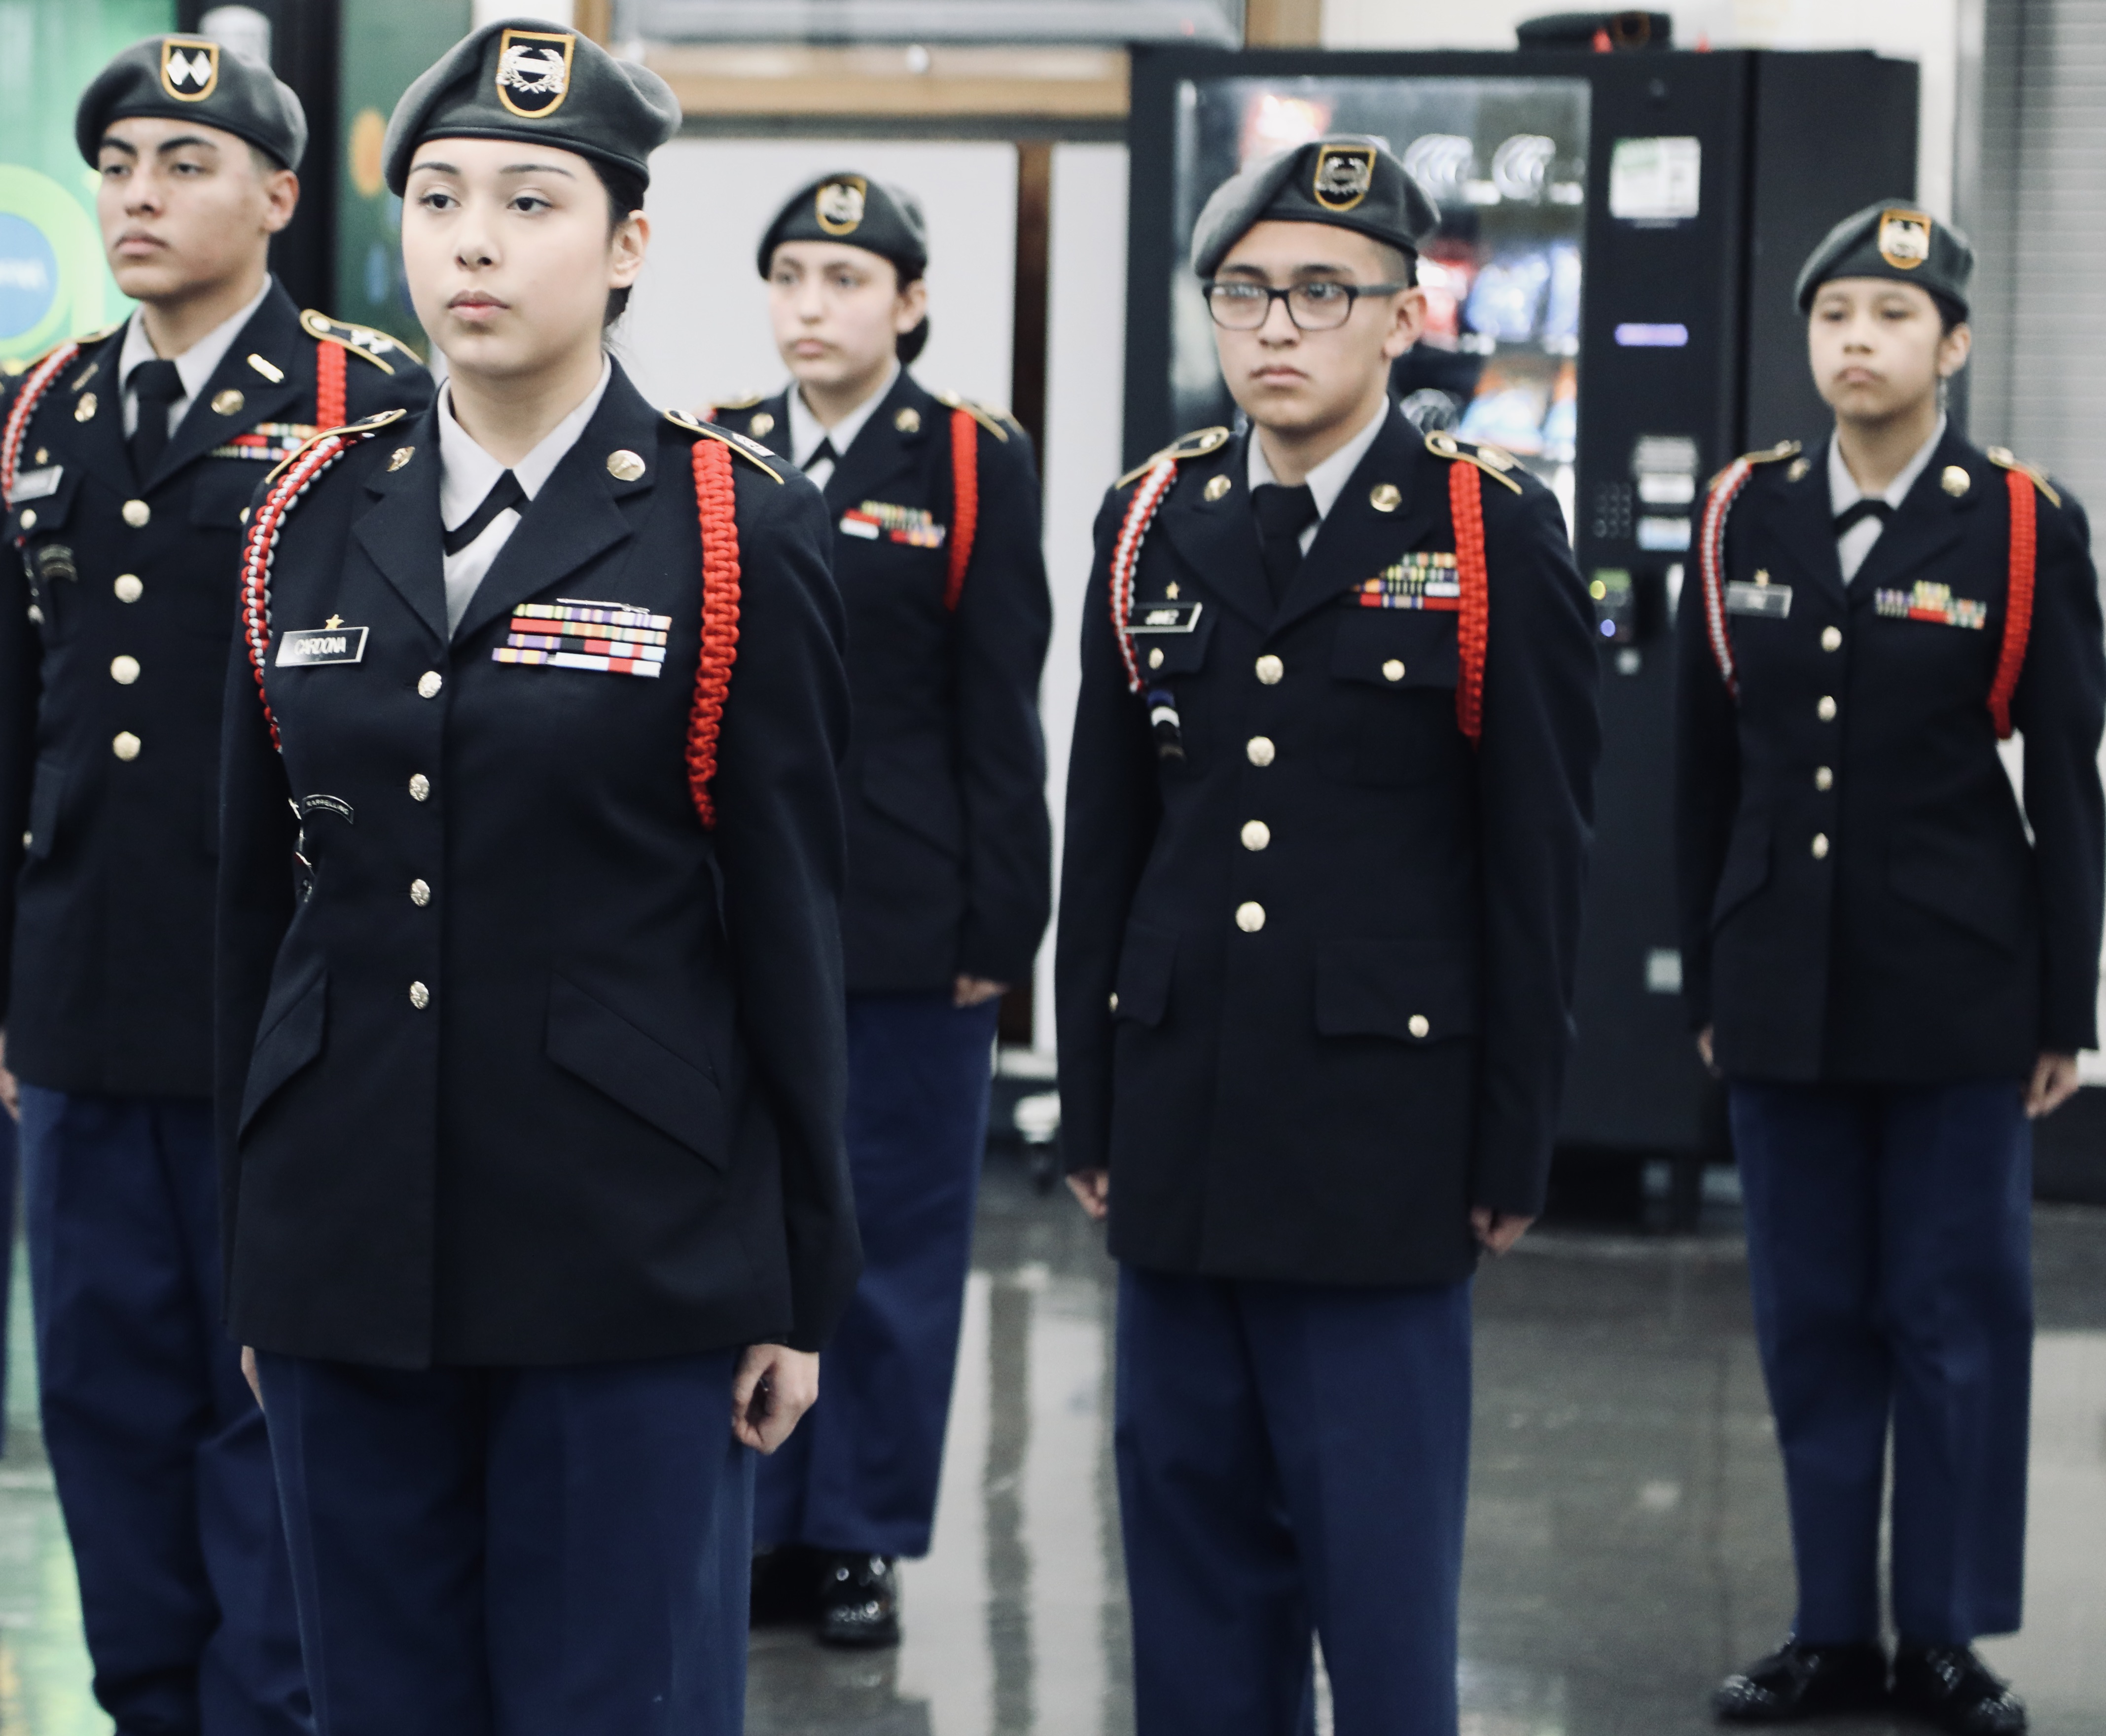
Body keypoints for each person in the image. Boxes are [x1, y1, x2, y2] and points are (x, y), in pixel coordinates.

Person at [212, 22, 859, 1734]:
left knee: (612, 1701)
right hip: (350, 1235)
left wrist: (798, 1276)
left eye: (529, 200)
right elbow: (252, 909)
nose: (474, 243)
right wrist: (256, 1243)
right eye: (437, 200)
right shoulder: (305, 515)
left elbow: (787, 925)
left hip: (626, 1252)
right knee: (376, 1700)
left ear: (629, 243)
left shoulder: (734, 531)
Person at [1056, 137, 1601, 1735]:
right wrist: (1092, 1100)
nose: (1276, 327)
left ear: (1405, 317)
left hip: (1385, 1140)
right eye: (1245, 293)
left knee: (1377, 1585)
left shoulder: (1491, 533)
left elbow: (1538, 863)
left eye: (1321, 293)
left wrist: (1514, 1147)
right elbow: (1110, 841)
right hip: (1181, 1120)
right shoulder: (1153, 517)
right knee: (1192, 1566)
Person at [0, 34, 433, 1734]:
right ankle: (148, 1703)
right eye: (117, 164)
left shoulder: (364, 399)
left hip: (286, 997)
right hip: (89, 995)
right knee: (103, 1394)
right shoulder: (38, 413)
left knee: (275, 1403)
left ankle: (275, 1710)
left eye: (185, 165)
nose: (138, 196)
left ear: (275, 195)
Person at [1680, 204, 2103, 1736]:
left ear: (1956, 345)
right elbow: (1701, 774)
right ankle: (1824, 1631)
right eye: (1835, 313)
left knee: (1954, 1313)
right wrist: (1709, 981)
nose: (1858, 340)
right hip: (1780, 984)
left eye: (1893, 315)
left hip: (1956, 991)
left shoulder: (2016, 524)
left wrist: (2068, 1007)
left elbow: (2066, 779)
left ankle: (1940, 1635)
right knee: (1810, 1315)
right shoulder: (1743, 517)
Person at [708, 171, 1051, 1648]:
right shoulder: (718, 451)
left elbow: (1003, 710)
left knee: (896, 1241)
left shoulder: (969, 464)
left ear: (908, 302)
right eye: (789, 277)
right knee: (750, 1232)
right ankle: (762, 1520)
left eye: (845, 280)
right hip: (743, 917)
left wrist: (1003, 933)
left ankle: (856, 1535)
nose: (811, 307)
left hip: (914, 920)